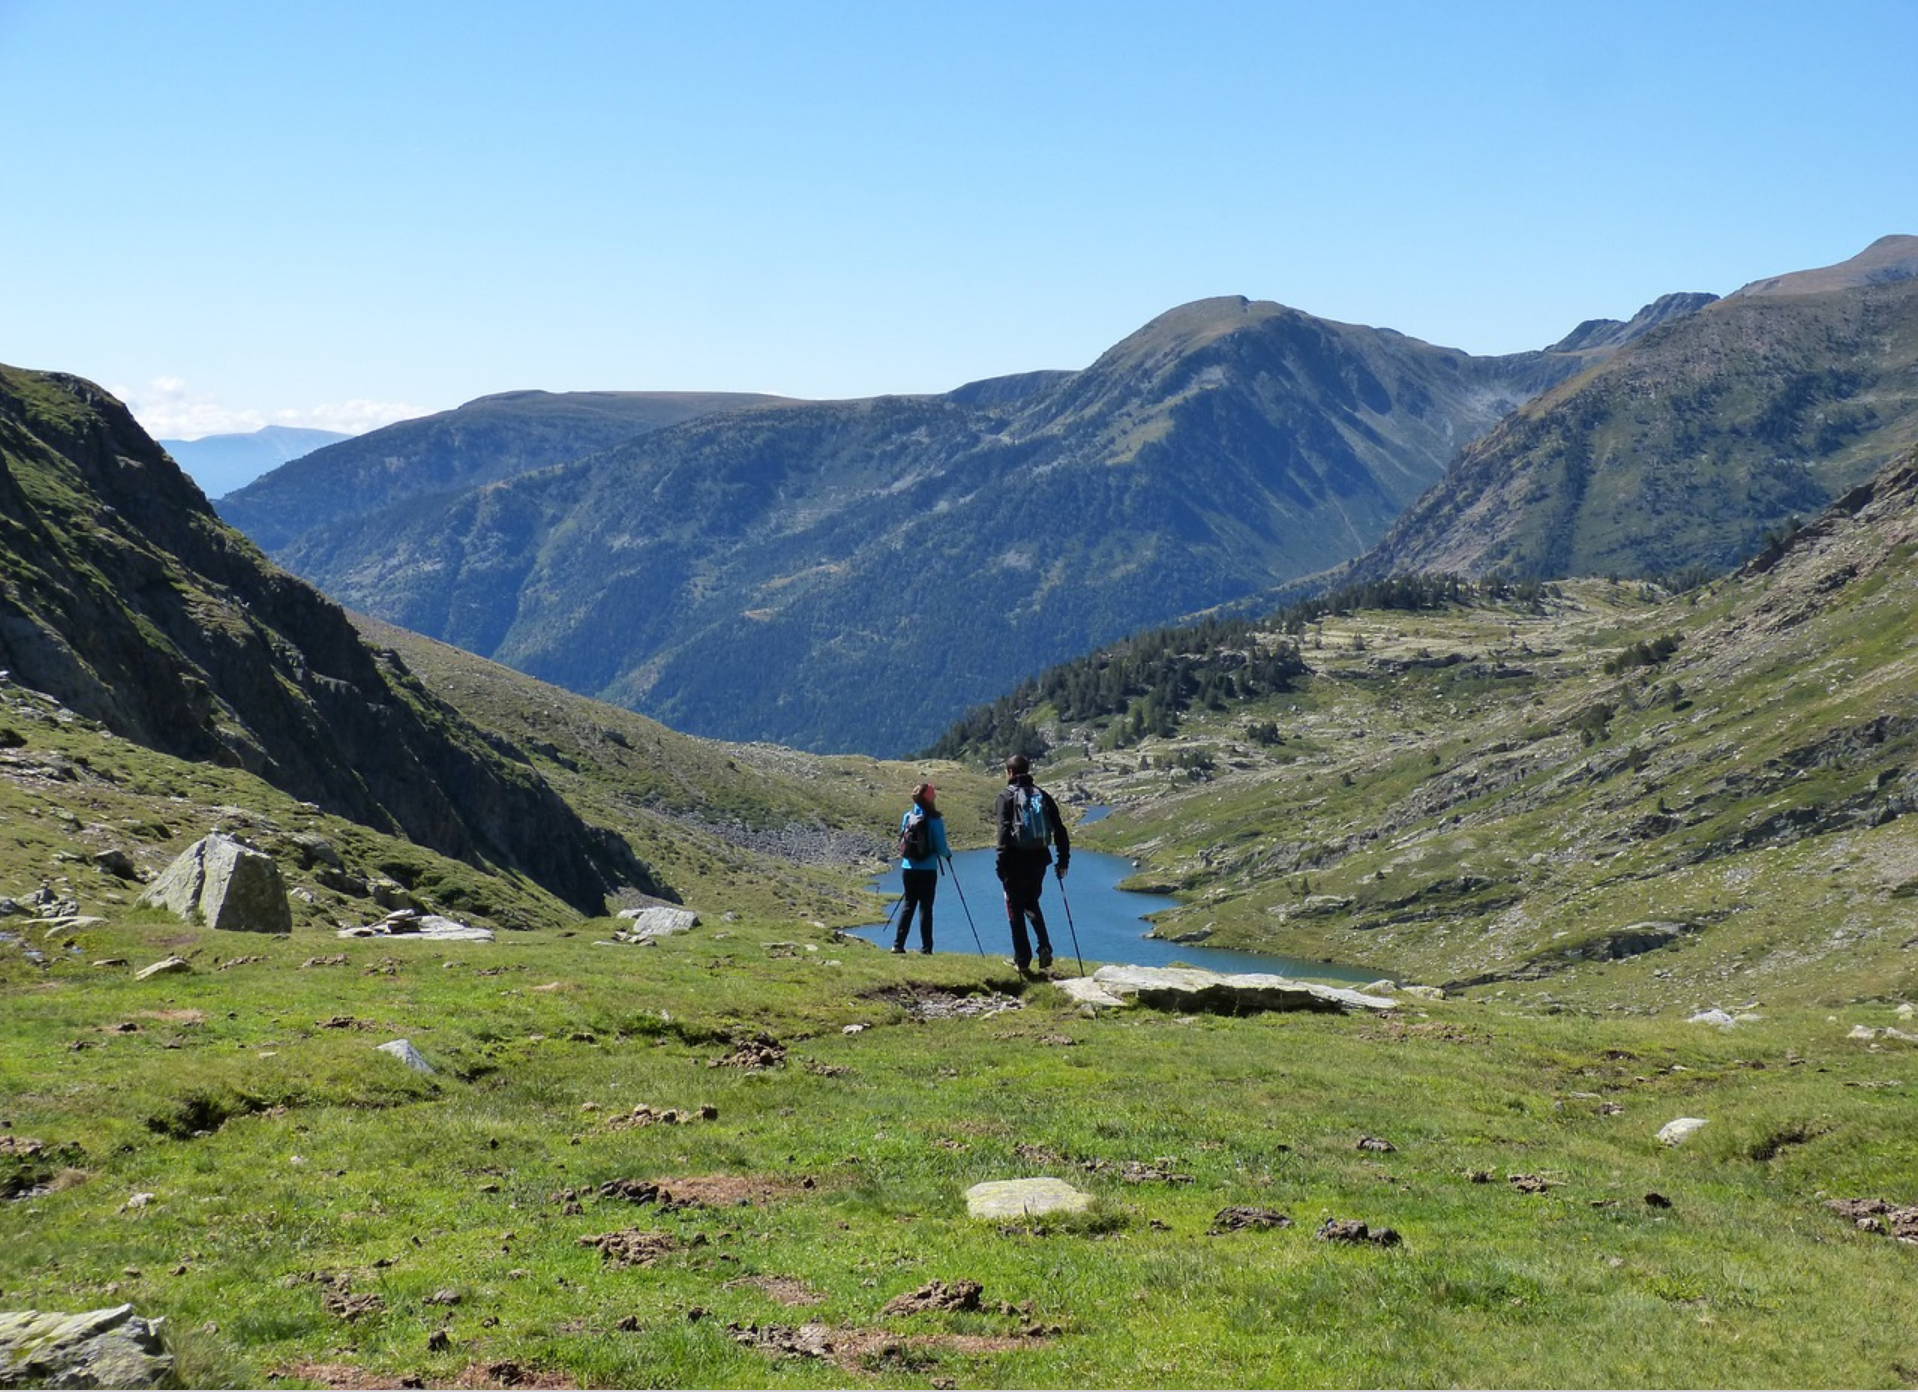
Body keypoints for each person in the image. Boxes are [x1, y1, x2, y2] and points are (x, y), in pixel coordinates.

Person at [993, 753, 1070, 975]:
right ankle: (1044, 946)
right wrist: (1063, 859)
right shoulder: (1042, 795)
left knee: (1014, 908)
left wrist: (1000, 863)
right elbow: (1060, 830)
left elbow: (1003, 833)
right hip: (1039, 859)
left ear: (1009, 772)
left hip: (1014, 860)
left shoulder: (1005, 796)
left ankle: (1022, 960)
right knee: (1031, 902)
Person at [892, 782, 952, 954]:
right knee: (926, 907)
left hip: (908, 868)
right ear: (930, 798)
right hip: (927, 869)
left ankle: (898, 945)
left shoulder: (907, 816)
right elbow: (941, 847)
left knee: (908, 904)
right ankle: (926, 948)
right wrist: (948, 854)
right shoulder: (934, 819)